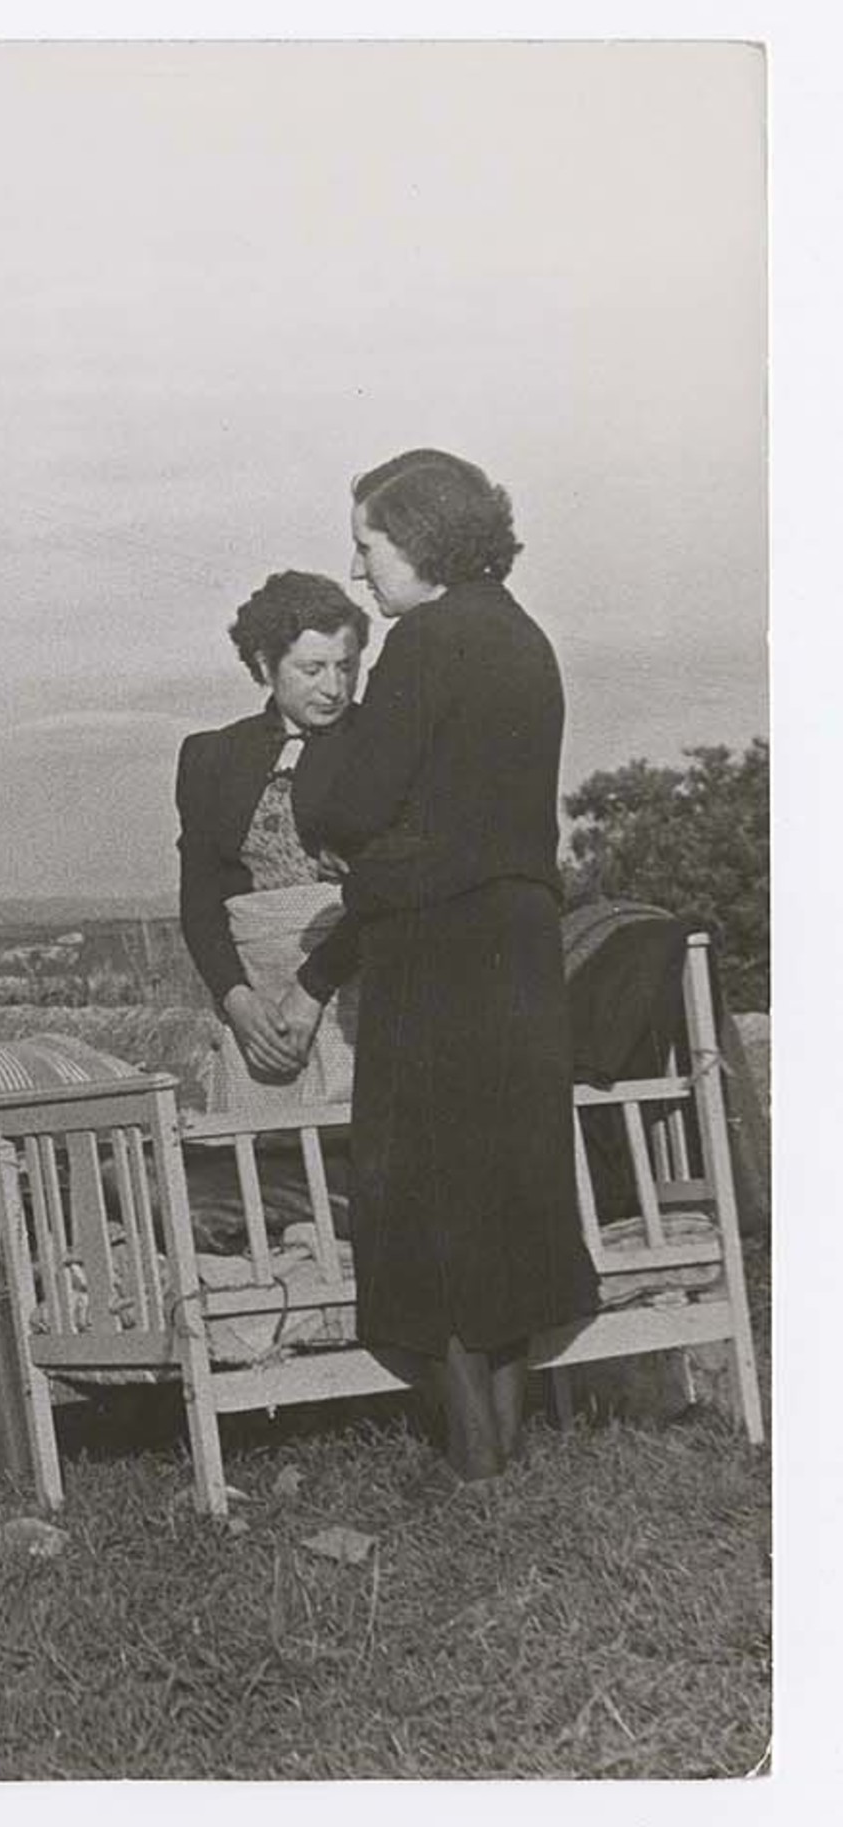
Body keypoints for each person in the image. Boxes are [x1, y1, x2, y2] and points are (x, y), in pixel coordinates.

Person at [303, 448, 597, 1483]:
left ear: (421, 542)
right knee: (505, 1183)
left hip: (434, 947)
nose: (358, 573)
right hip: (519, 942)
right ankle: (505, 1438)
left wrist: (328, 744)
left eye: (368, 547)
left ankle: (472, 1453)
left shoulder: (423, 640)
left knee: (427, 1191)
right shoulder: (524, 636)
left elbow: (346, 806)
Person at [173, 571, 371, 1107]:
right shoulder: (211, 757)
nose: (334, 687)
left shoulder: (384, 744)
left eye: (346, 667)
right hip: (256, 1012)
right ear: (265, 665)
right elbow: (201, 897)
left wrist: (314, 989)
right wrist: (236, 1001)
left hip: (361, 996)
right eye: (312, 669)